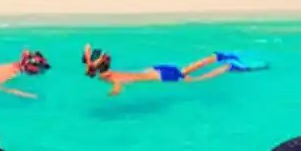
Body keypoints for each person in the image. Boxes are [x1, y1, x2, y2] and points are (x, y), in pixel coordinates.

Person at [81, 45, 255, 96]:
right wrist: (90, 60)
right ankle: (218, 56)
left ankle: (228, 67)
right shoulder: (108, 73)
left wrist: (113, 94)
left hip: (160, 76)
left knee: (198, 79)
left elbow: (117, 86)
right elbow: (87, 49)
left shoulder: (109, 76)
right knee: (187, 69)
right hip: (157, 69)